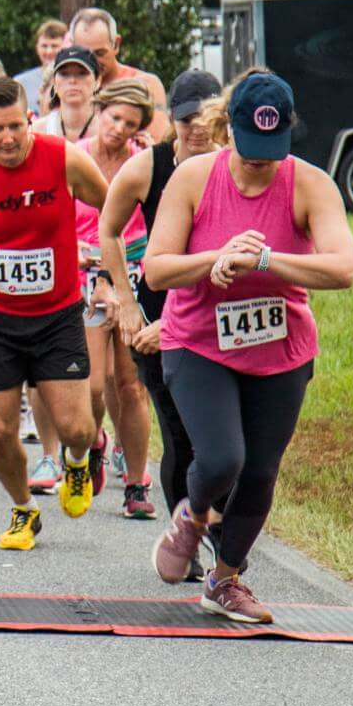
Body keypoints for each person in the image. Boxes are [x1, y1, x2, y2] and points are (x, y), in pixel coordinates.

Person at [141, 72, 353, 623]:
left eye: (273, 151)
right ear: (228, 129)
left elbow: (342, 268)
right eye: (251, 150)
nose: (261, 162)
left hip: (280, 346)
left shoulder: (308, 184)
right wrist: (212, 260)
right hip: (198, 342)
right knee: (221, 458)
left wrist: (265, 261)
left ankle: (225, 577)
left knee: (260, 471)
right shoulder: (193, 178)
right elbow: (157, 268)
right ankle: (191, 516)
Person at [0, 78, 114, 549]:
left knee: (77, 427)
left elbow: (111, 206)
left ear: (30, 119)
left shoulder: (62, 157)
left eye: (17, 126)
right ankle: (24, 509)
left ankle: (76, 462)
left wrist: (107, 267)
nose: (8, 139)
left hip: (56, 313)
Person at [97, 69, 222, 553]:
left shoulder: (233, 164)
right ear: (171, 117)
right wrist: (127, 304)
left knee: (220, 443)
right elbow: (108, 229)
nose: (196, 127)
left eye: (206, 117)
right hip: (158, 316)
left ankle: (215, 526)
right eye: (187, 117)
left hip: (217, 315)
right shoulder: (148, 167)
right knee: (181, 435)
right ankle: (189, 539)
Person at [74, 79, 160, 517]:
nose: (118, 128)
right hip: (84, 281)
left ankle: (136, 484)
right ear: (98, 110)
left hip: (131, 279)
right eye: (113, 117)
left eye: (129, 123)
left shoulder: (141, 164)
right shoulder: (75, 157)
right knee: (91, 388)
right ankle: (94, 442)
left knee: (131, 386)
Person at [67, 7, 170, 138]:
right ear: (71, 47)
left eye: (99, 54)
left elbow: (157, 142)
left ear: (116, 44)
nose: (92, 62)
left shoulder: (144, 84)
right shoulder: (65, 87)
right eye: (84, 54)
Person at [37, 44, 102, 140]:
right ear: (54, 82)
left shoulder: (107, 131)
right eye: (64, 74)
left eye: (82, 73)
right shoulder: (37, 131)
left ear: (97, 81)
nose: (72, 80)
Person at [16, 19, 68, 111]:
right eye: (44, 46)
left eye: (54, 46)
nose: (49, 51)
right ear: (37, 48)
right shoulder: (21, 83)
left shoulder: (74, 80)